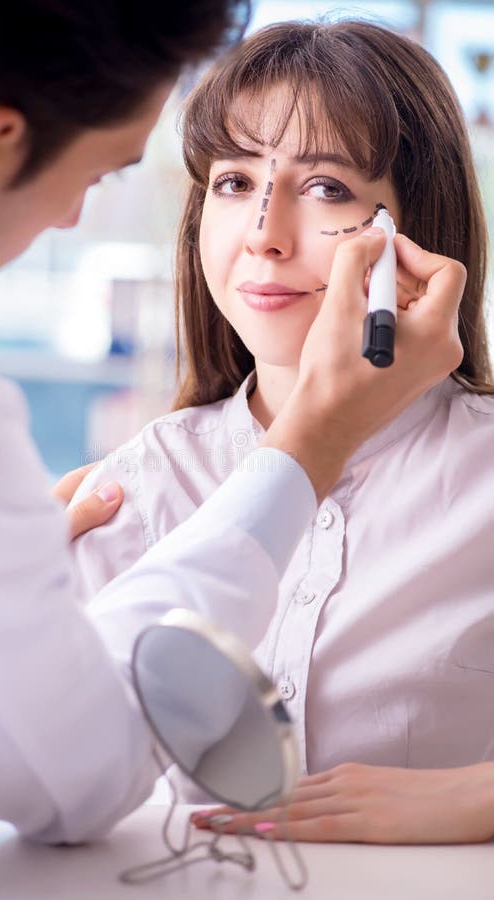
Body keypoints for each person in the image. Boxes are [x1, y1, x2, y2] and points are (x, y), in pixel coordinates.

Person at [71, 19, 494, 842]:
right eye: (233, 182)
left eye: (327, 186)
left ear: (413, 235)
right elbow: (48, 769)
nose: (263, 233)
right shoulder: (135, 485)